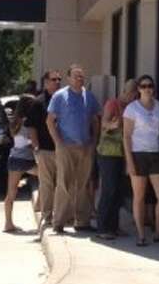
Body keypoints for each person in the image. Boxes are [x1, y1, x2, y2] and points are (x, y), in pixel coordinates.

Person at [46, 63, 101, 234]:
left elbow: (95, 120)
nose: (80, 79)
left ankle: (82, 221)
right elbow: (50, 121)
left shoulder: (89, 97)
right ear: (69, 78)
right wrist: (58, 144)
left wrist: (94, 141)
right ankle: (59, 222)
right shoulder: (59, 97)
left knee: (83, 184)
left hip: (85, 147)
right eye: (76, 76)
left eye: (82, 76)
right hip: (66, 147)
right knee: (64, 183)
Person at [123, 75, 159, 245]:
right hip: (138, 154)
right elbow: (127, 136)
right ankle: (141, 234)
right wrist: (129, 161)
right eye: (143, 86)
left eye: (150, 85)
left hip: (156, 153)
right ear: (138, 89)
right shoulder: (131, 108)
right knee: (139, 196)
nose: (147, 89)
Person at [94, 82, 130, 240]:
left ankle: (114, 226)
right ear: (124, 91)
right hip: (108, 153)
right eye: (132, 93)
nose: (134, 96)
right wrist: (113, 124)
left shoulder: (130, 107)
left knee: (118, 191)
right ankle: (102, 227)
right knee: (108, 190)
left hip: (122, 153)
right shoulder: (112, 103)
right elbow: (104, 123)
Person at [28, 70, 60, 236]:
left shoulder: (63, 100)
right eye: (53, 79)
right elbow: (31, 127)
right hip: (45, 150)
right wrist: (36, 148)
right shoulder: (38, 103)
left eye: (59, 79)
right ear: (46, 82)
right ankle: (47, 216)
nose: (57, 82)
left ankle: (62, 216)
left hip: (63, 150)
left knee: (63, 183)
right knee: (47, 184)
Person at [3, 95, 38, 234]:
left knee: (10, 193)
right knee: (48, 178)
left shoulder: (14, 122)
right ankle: (40, 206)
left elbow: (18, 141)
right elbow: (32, 142)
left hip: (14, 158)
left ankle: (8, 222)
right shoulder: (28, 123)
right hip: (26, 160)